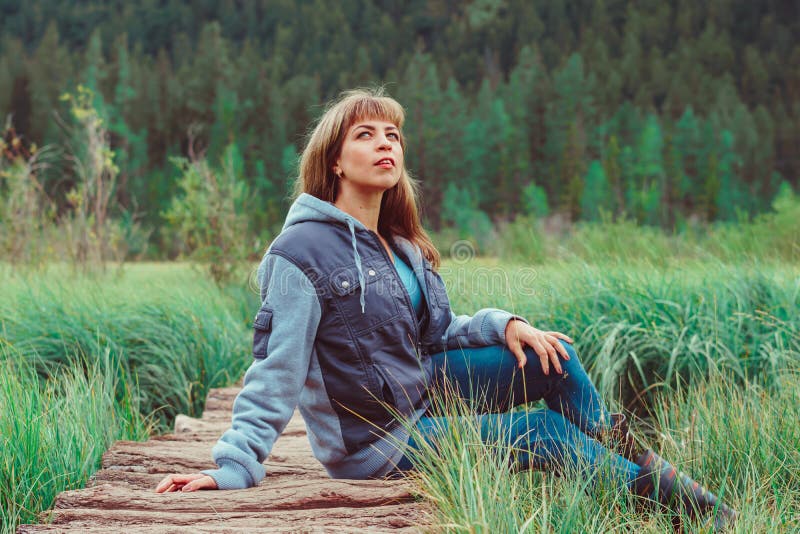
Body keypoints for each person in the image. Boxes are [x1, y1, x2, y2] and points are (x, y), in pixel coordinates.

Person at [155, 88, 736, 529]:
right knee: (540, 432)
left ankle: (653, 472)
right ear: (334, 161)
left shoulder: (400, 244)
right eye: (367, 135)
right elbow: (274, 370)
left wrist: (507, 325)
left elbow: (437, 332)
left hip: (422, 387)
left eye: (394, 135)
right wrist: (232, 465)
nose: (386, 143)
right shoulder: (299, 253)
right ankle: (672, 512)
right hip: (373, 438)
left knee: (555, 358)